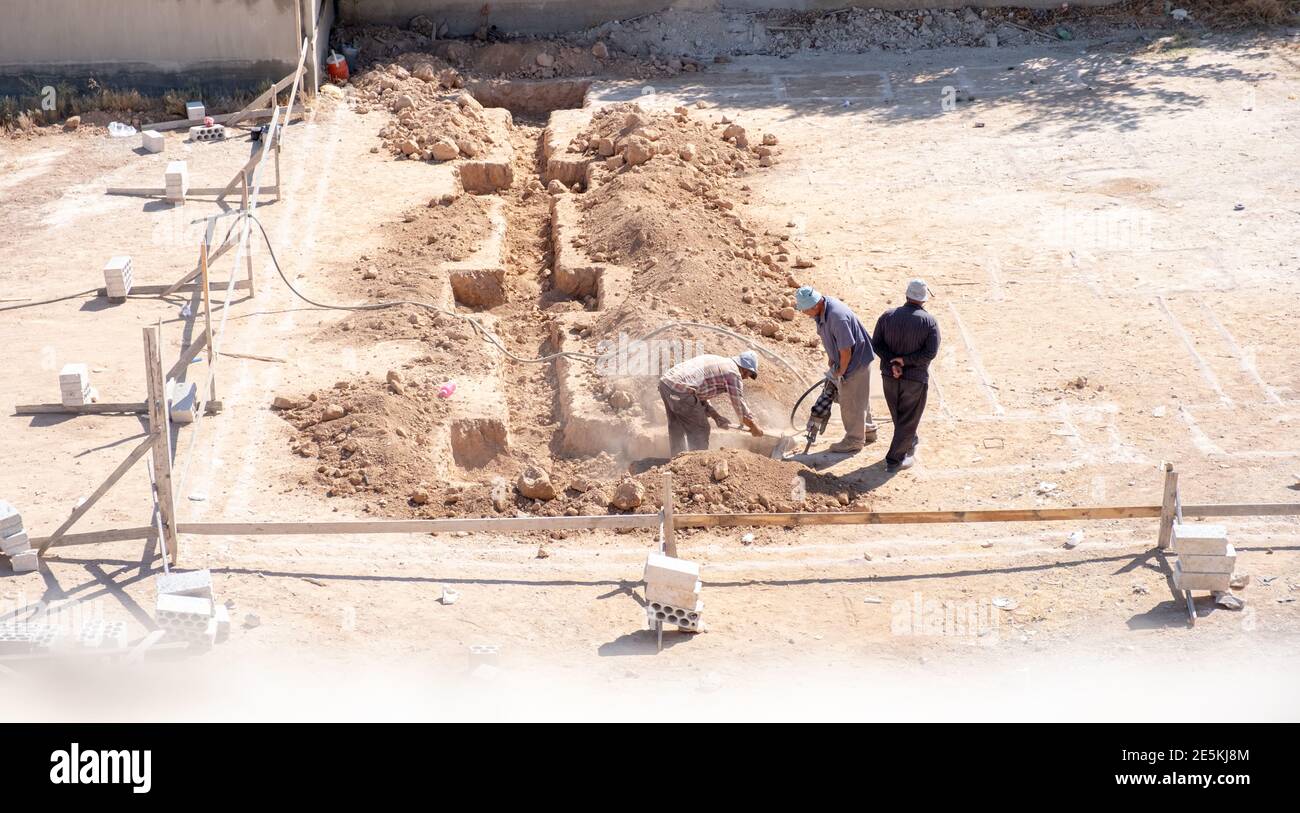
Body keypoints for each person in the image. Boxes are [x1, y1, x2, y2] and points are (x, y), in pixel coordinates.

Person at [794, 285, 878, 454]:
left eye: (804, 310)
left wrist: (841, 372)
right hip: (848, 359)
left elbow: (846, 350)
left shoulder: (837, 317)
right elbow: (832, 339)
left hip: (855, 362)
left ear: (815, 305)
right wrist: (832, 358)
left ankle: (854, 440)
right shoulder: (822, 311)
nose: (803, 314)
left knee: (850, 400)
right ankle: (868, 430)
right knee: (859, 397)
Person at [871, 279, 941, 472]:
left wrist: (894, 362)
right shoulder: (929, 322)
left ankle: (910, 441)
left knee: (898, 416)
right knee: (908, 419)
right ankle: (895, 460)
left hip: (889, 376)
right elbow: (930, 353)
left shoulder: (887, 316)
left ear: (907, 295)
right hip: (915, 379)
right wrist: (905, 361)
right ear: (923, 300)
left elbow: (876, 344)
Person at [658, 351, 764, 456]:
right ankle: (695, 465)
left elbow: (698, 395)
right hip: (681, 390)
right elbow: (739, 405)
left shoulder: (719, 362)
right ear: (745, 370)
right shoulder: (733, 373)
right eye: (749, 375)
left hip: (666, 384)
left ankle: (676, 462)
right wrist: (753, 425)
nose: (746, 378)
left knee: (677, 425)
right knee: (701, 429)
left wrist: (716, 417)